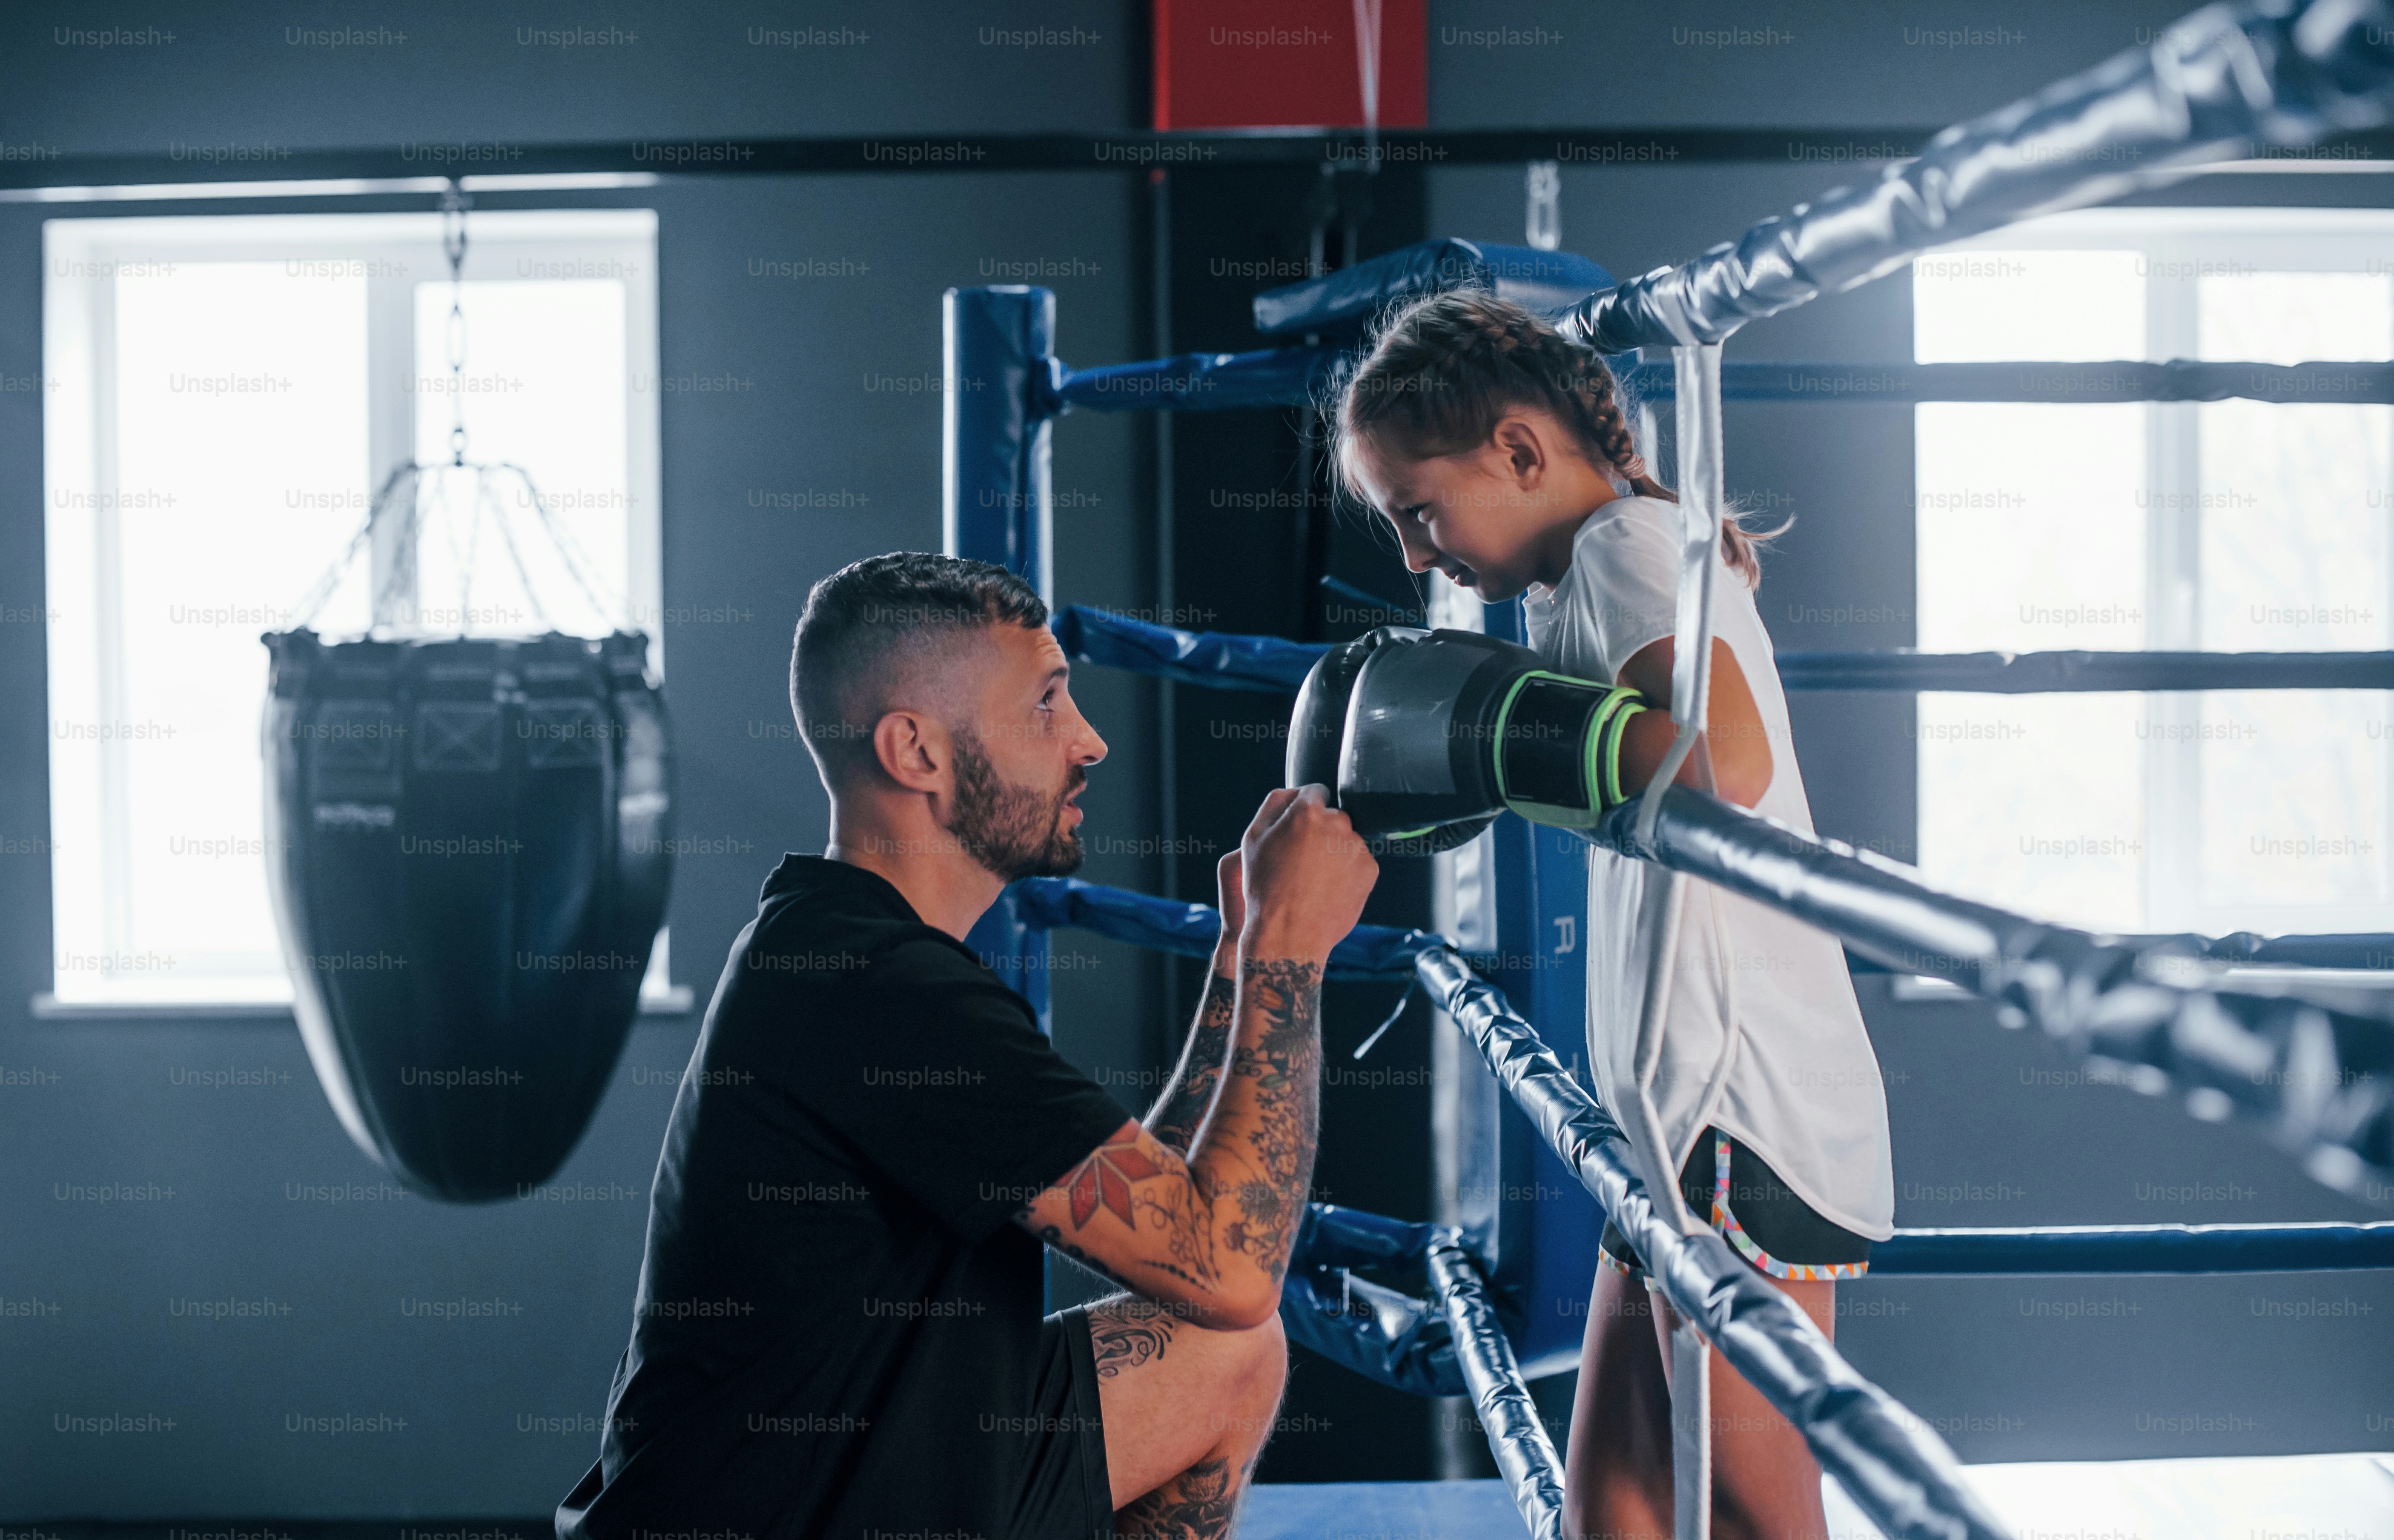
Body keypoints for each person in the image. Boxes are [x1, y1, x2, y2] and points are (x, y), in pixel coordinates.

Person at [556, 552, 1379, 1540]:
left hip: (879, 1471)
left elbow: (1163, 1236)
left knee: (1226, 1358)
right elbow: (1233, 1267)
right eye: (1045, 706)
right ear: (917, 753)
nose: (1090, 743)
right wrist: (1293, 952)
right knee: (1236, 1318)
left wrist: (1242, 958)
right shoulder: (876, 987)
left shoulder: (856, 949)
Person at [1330, 290, 1894, 1540]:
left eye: (1420, 511)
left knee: (1760, 1515)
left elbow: (1720, 764)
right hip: (1673, 1109)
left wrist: (1494, 735)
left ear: (1522, 452)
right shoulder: (1583, 571)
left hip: (1741, 1113)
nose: (1416, 556)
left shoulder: (1629, 548)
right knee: (1616, 1509)